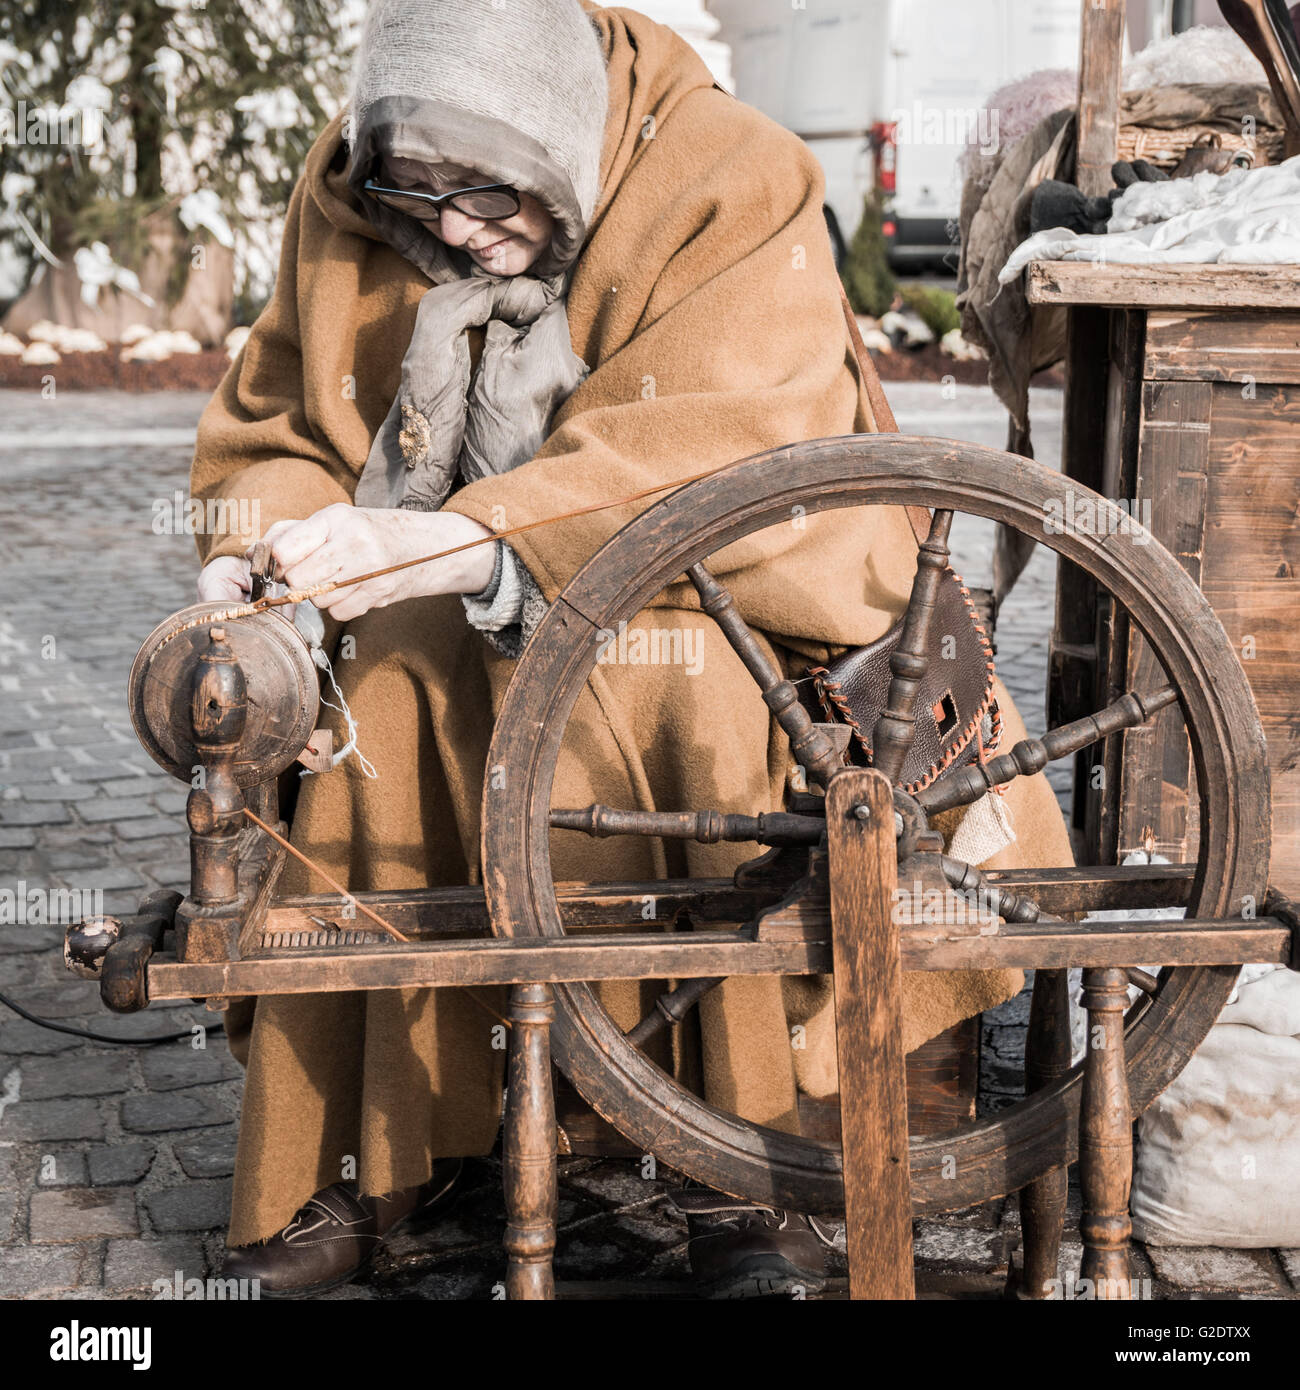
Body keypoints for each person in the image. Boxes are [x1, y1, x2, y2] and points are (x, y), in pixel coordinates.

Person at [193, 0, 1071, 1299]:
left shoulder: (733, 171)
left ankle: (740, 1169)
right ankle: (373, 1149)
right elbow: (276, 422)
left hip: (725, 585)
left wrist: (472, 542)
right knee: (374, 684)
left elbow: (729, 453)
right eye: (414, 193)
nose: (448, 227)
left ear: (559, 137)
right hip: (441, 585)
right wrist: (255, 551)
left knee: (681, 686)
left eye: (486, 194)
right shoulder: (352, 185)